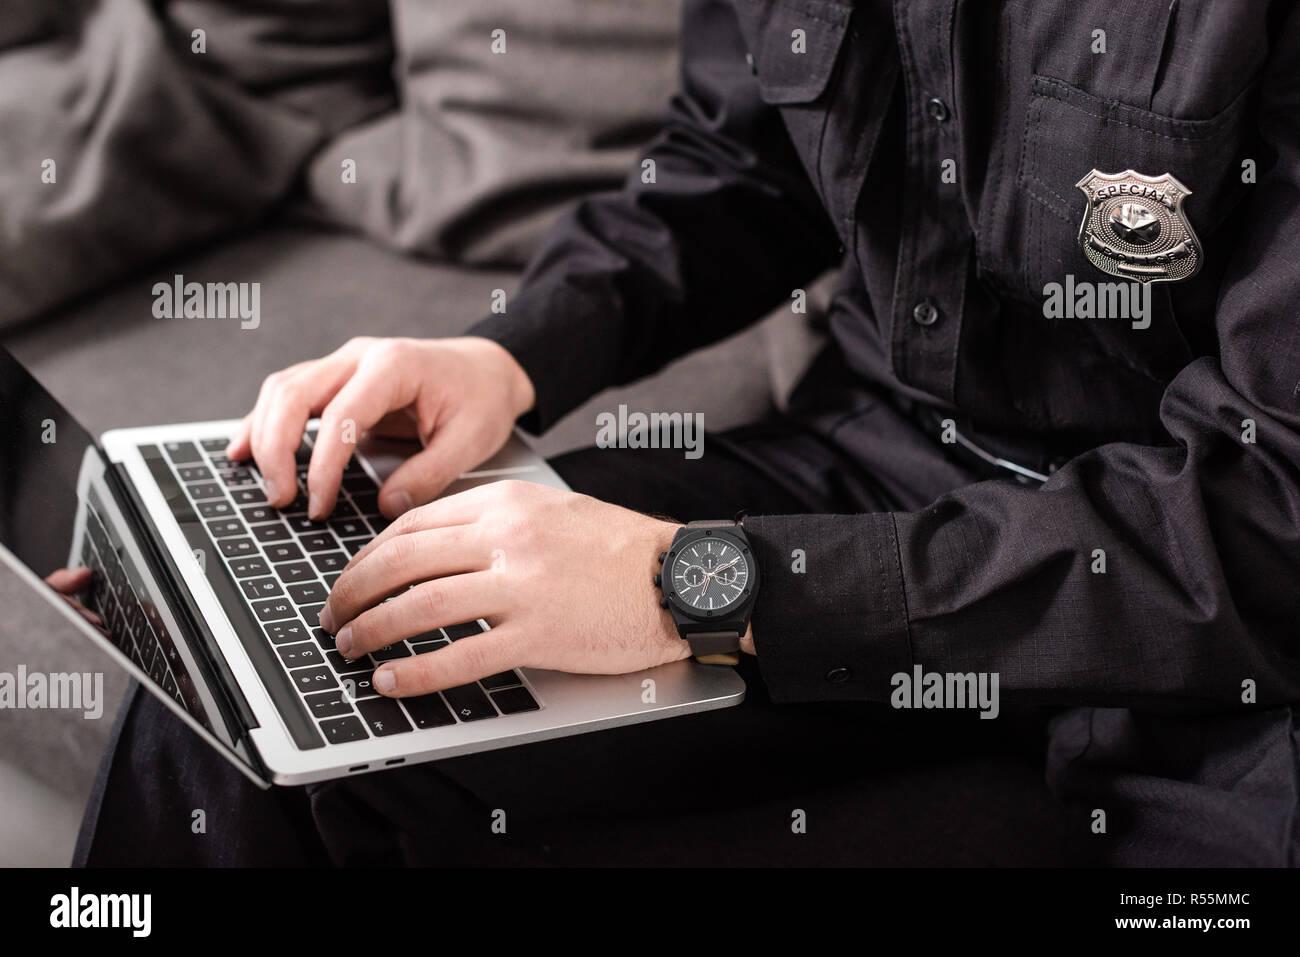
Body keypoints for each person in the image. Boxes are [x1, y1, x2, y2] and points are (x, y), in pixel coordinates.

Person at [76, 0, 1300, 866]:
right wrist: (504, 354)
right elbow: (739, 163)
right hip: (869, 471)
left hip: (1217, 657)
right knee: (245, 693)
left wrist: (700, 587)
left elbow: (1266, 516)